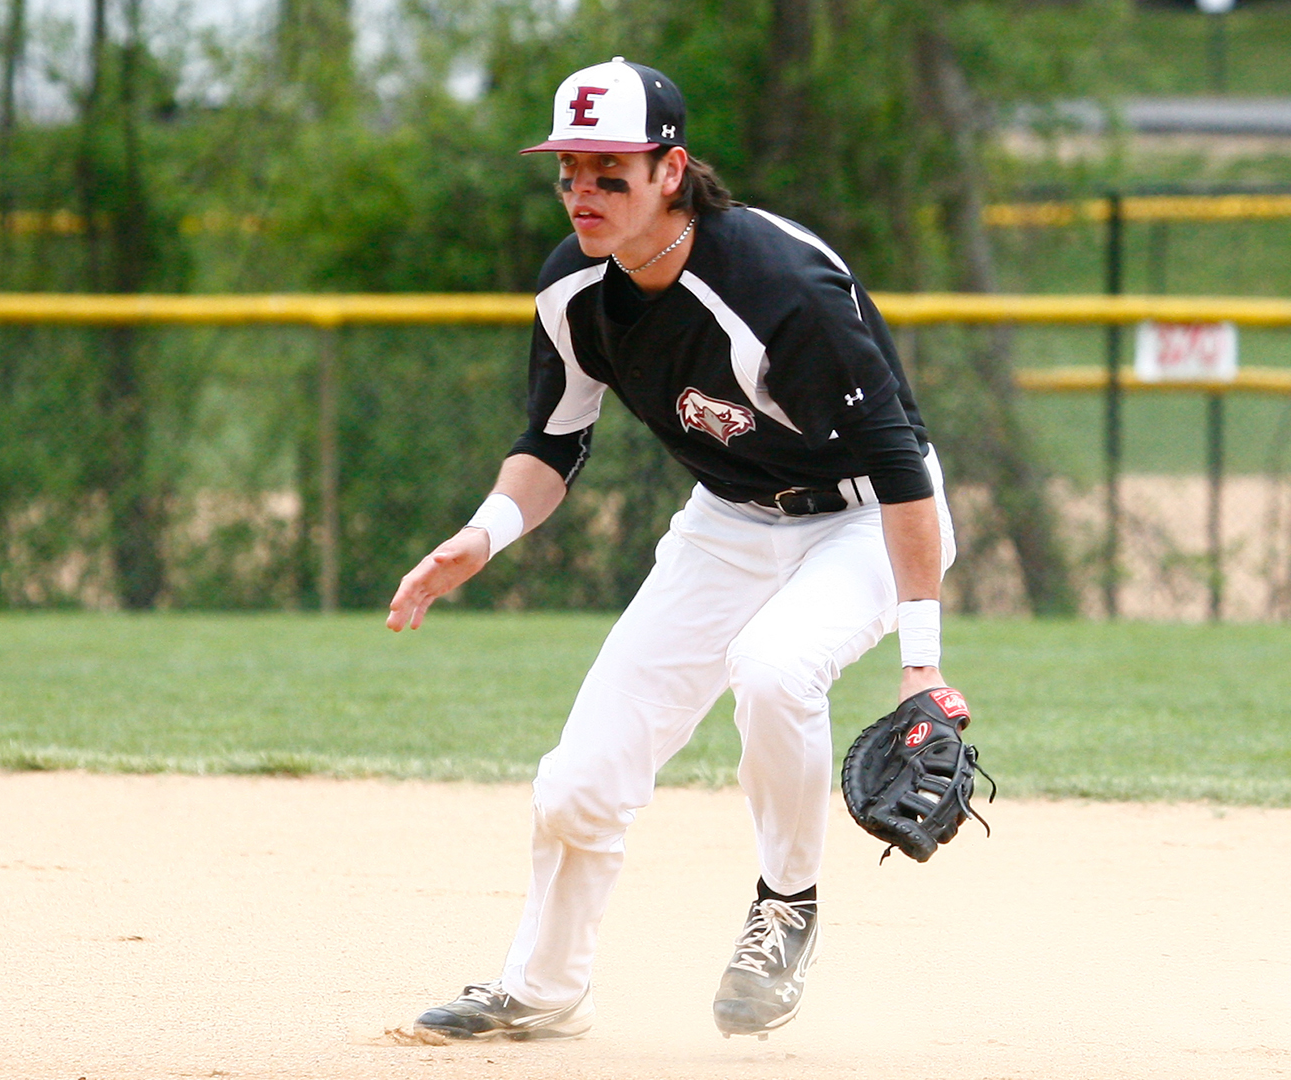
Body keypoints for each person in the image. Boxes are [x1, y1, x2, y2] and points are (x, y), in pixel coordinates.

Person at [385, 57, 958, 1041]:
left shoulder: (781, 286)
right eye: (569, 170)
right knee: (578, 781)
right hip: (732, 521)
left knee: (775, 671)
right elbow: (552, 443)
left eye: (610, 171)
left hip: (866, 517)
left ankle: (786, 907)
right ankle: (546, 988)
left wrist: (921, 666)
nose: (583, 193)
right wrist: (484, 535)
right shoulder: (573, 292)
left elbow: (902, 470)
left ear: (670, 170)